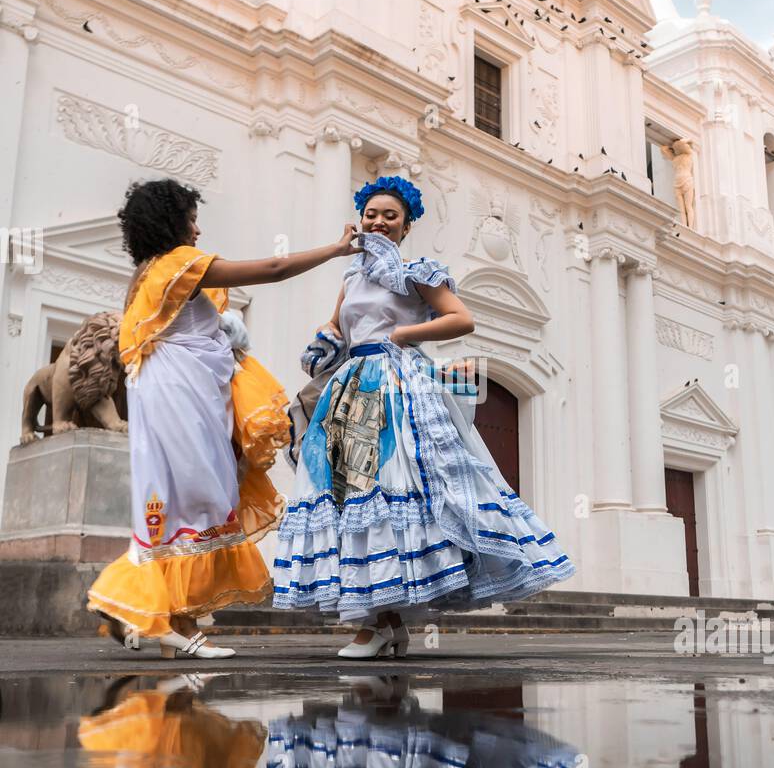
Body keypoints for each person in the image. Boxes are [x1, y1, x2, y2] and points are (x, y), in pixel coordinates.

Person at [272, 174, 575, 658]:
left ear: (406, 224)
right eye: (371, 214)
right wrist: (325, 340)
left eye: (390, 215)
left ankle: (375, 626)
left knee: (389, 489)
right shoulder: (351, 277)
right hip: (351, 390)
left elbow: (461, 318)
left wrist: (402, 336)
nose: (378, 222)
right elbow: (338, 325)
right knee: (351, 495)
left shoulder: (418, 271)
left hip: (396, 386)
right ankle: (386, 622)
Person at [87, 177, 358, 658]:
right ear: (172, 222)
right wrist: (336, 250)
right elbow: (273, 268)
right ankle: (163, 617)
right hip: (182, 399)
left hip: (166, 395)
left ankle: (172, 623)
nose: (197, 228)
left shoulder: (146, 275)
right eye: (190, 218)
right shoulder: (179, 264)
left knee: (178, 499)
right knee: (200, 499)